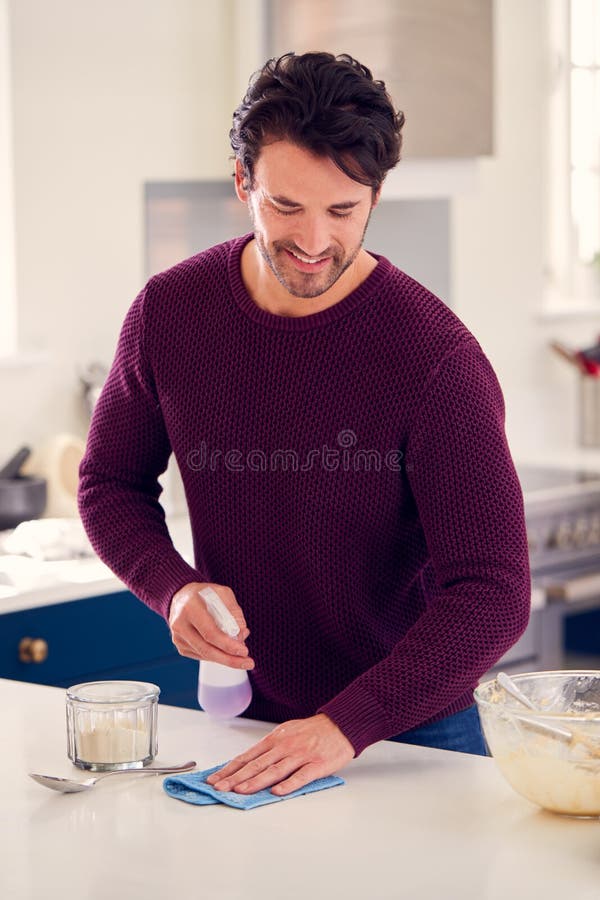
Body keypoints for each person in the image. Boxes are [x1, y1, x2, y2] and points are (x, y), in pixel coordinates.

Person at [78, 51, 530, 797]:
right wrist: (173, 589)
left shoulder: (435, 357)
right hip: (244, 722)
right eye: (286, 207)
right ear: (243, 183)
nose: (314, 240)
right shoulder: (170, 313)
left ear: (375, 196)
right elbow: (110, 485)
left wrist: (346, 724)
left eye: (342, 210)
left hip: (407, 734)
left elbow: (493, 591)